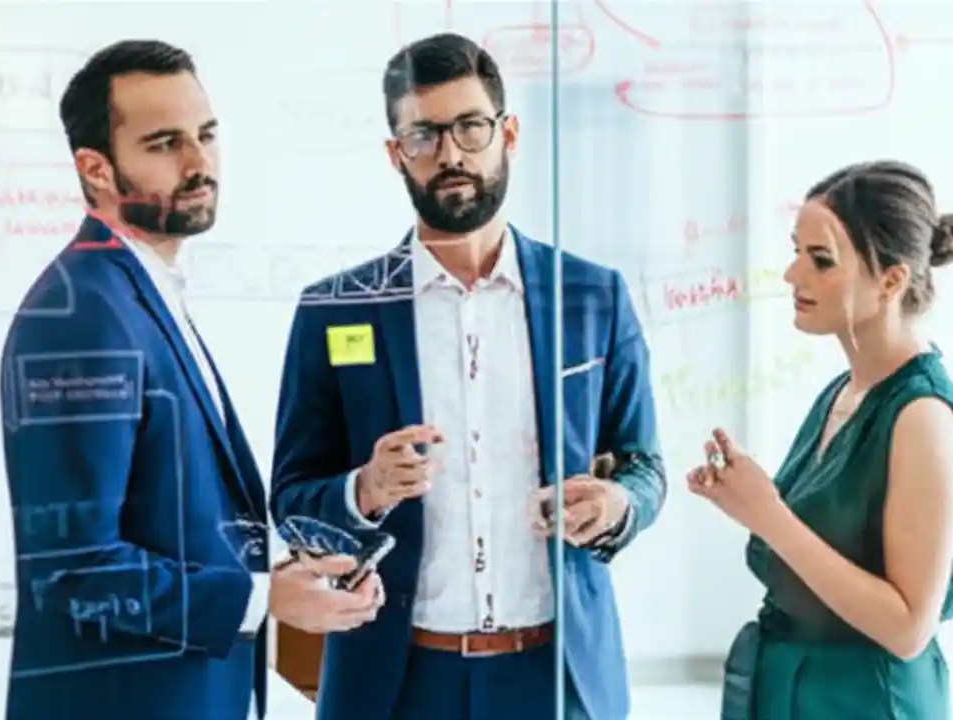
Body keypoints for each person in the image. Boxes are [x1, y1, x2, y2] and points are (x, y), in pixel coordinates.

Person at [269, 32, 666, 720]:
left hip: (556, 679)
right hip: (395, 681)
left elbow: (645, 467)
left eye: (470, 127)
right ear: (396, 153)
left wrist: (617, 505)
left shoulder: (594, 296)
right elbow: (291, 500)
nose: (451, 154)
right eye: (424, 134)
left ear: (507, 133)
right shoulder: (334, 312)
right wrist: (362, 489)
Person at [0, 40, 381, 720]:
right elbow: (77, 569)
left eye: (205, 134)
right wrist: (264, 600)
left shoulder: (140, 293)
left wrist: (284, 578)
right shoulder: (82, 316)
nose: (200, 164)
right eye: (165, 143)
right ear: (96, 168)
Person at [687, 160, 953, 720]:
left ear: (891, 280)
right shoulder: (843, 391)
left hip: (865, 701)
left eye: (820, 260)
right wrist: (749, 504)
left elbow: (908, 627)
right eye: (797, 250)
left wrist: (769, 516)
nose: (793, 276)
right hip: (798, 693)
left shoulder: (920, 414)